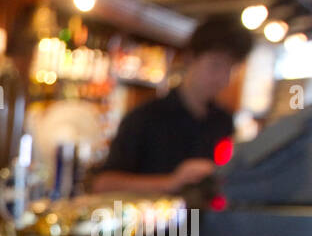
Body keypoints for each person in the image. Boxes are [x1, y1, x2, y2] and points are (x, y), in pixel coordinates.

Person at [92, 18, 253, 195]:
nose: (223, 79)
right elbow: (103, 184)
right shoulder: (145, 117)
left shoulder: (223, 120)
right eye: (215, 66)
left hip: (205, 222)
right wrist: (172, 182)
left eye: (230, 69)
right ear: (190, 58)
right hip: (151, 222)